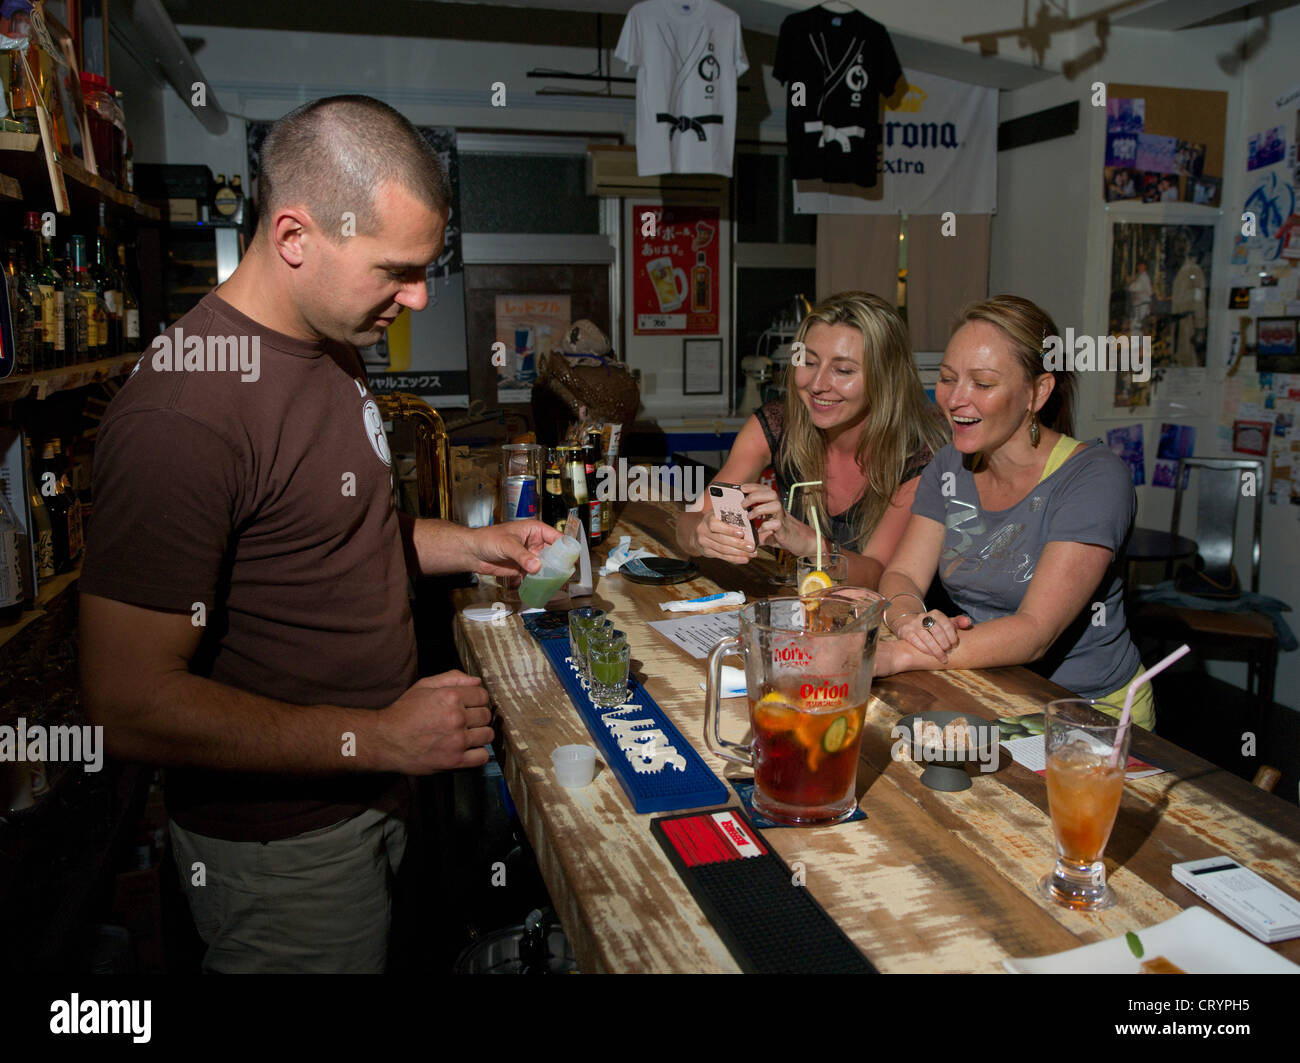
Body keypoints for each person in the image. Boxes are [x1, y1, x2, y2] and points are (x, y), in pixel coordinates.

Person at [77, 96, 561, 973]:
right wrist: (379, 737)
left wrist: (469, 544)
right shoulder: (184, 412)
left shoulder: (330, 342)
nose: (417, 296)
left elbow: (335, 532)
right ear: (295, 235)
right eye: (397, 270)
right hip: (283, 853)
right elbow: (126, 702)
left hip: (373, 798)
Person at [875, 295, 1154, 729]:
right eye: (948, 379)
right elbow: (902, 575)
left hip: (1088, 712)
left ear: (1037, 392)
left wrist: (900, 652)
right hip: (989, 688)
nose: (955, 399)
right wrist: (911, 619)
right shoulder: (949, 465)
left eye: (982, 384)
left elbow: (1034, 631)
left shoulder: (1096, 478)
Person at [676, 290, 947, 588]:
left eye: (843, 370)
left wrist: (809, 544)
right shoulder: (777, 423)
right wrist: (701, 535)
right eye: (808, 362)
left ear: (887, 377)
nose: (817, 385)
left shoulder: (920, 456)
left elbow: (877, 576)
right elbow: (690, 518)